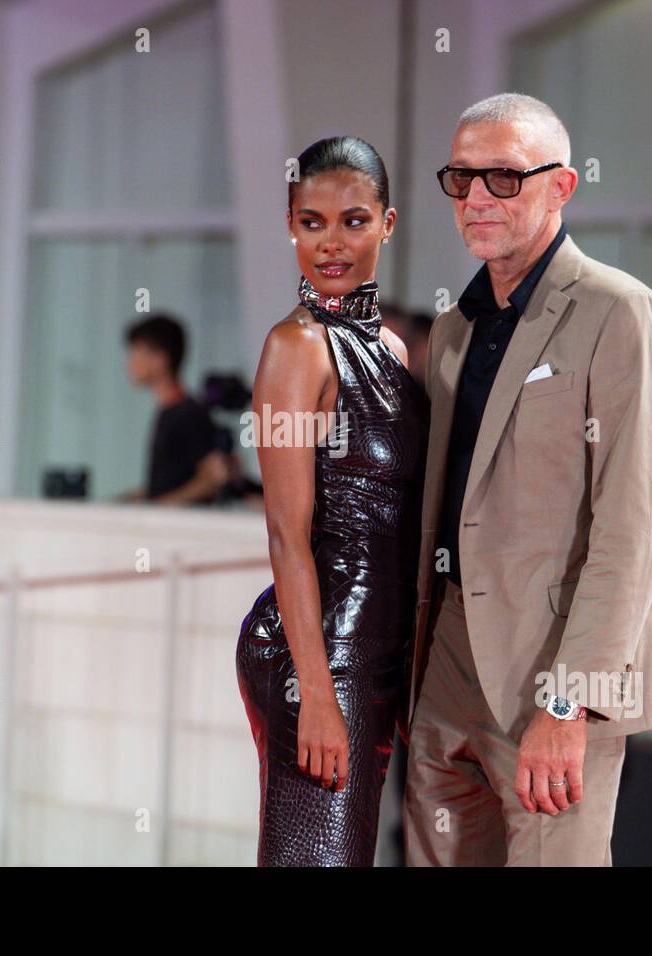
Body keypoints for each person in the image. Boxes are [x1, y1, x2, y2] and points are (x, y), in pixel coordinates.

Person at [402, 93, 652, 866]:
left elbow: (633, 528)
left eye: (503, 177)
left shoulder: (621, 312)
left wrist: (570, 703)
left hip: (556, 669)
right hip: (449, 661)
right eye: (462, 179)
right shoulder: (455, 328)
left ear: (560, 187)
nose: (478, 199)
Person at [235, 136, 429, 866]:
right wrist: (315, 692)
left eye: (353, 220)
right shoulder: (296, 348)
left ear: (388, 222)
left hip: (378, 660)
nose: (330, 243)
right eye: (310, 222)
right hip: (317, 660)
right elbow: (287, 535)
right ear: (290, 225)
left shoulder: (393, 349)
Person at [119, 314, 229, 505]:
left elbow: (211, 481)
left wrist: (157, 509)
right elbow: (168, 484)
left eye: (137, 352)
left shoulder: (189, 415)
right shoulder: (167, 412)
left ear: (160, 359)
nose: (129, 363)